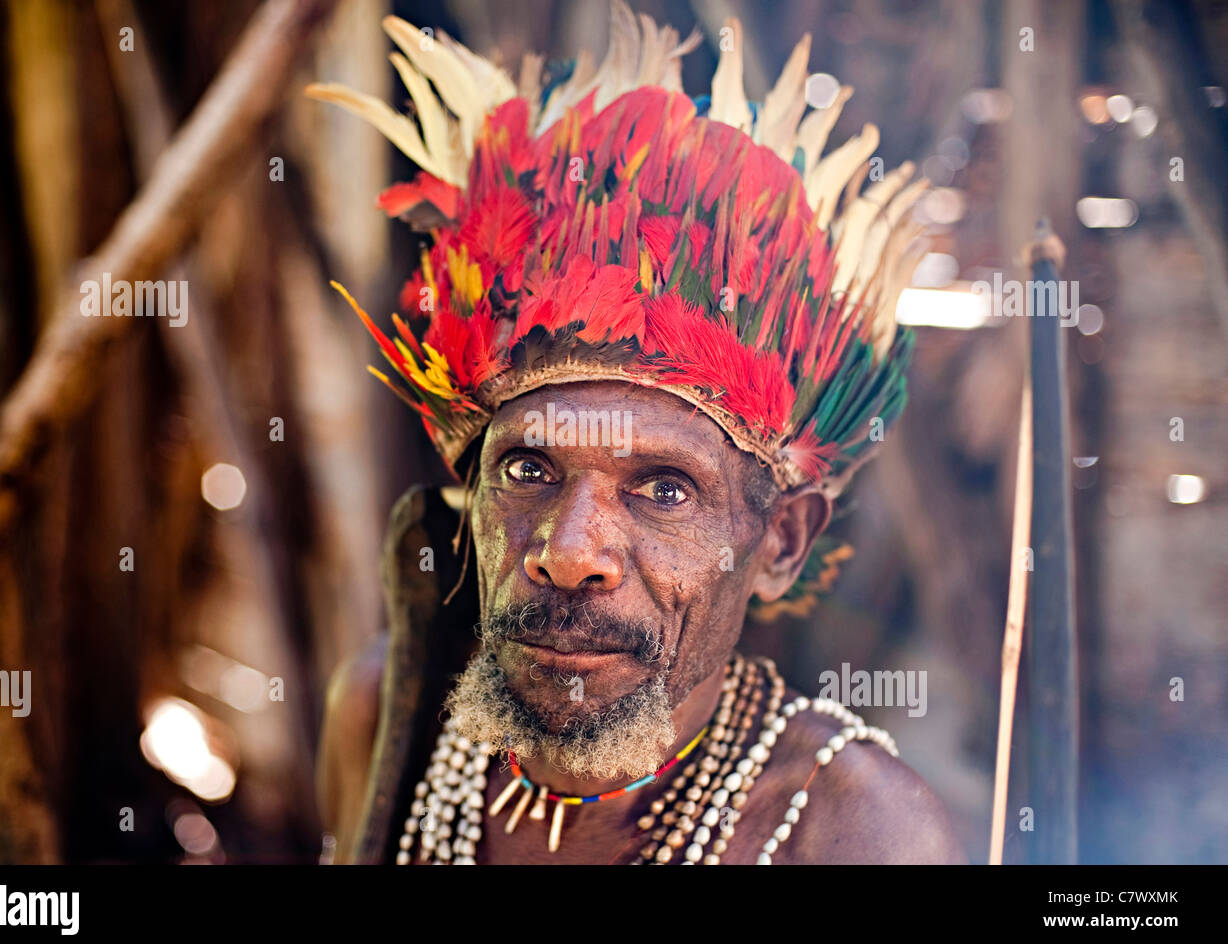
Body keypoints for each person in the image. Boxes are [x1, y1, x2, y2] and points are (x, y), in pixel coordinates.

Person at [314, 3, 966, 865]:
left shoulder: (853, 830)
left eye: (664, 487)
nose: (570, 550)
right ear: (468, 492)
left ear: (781, 539)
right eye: (529, 468)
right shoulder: (386, 715)